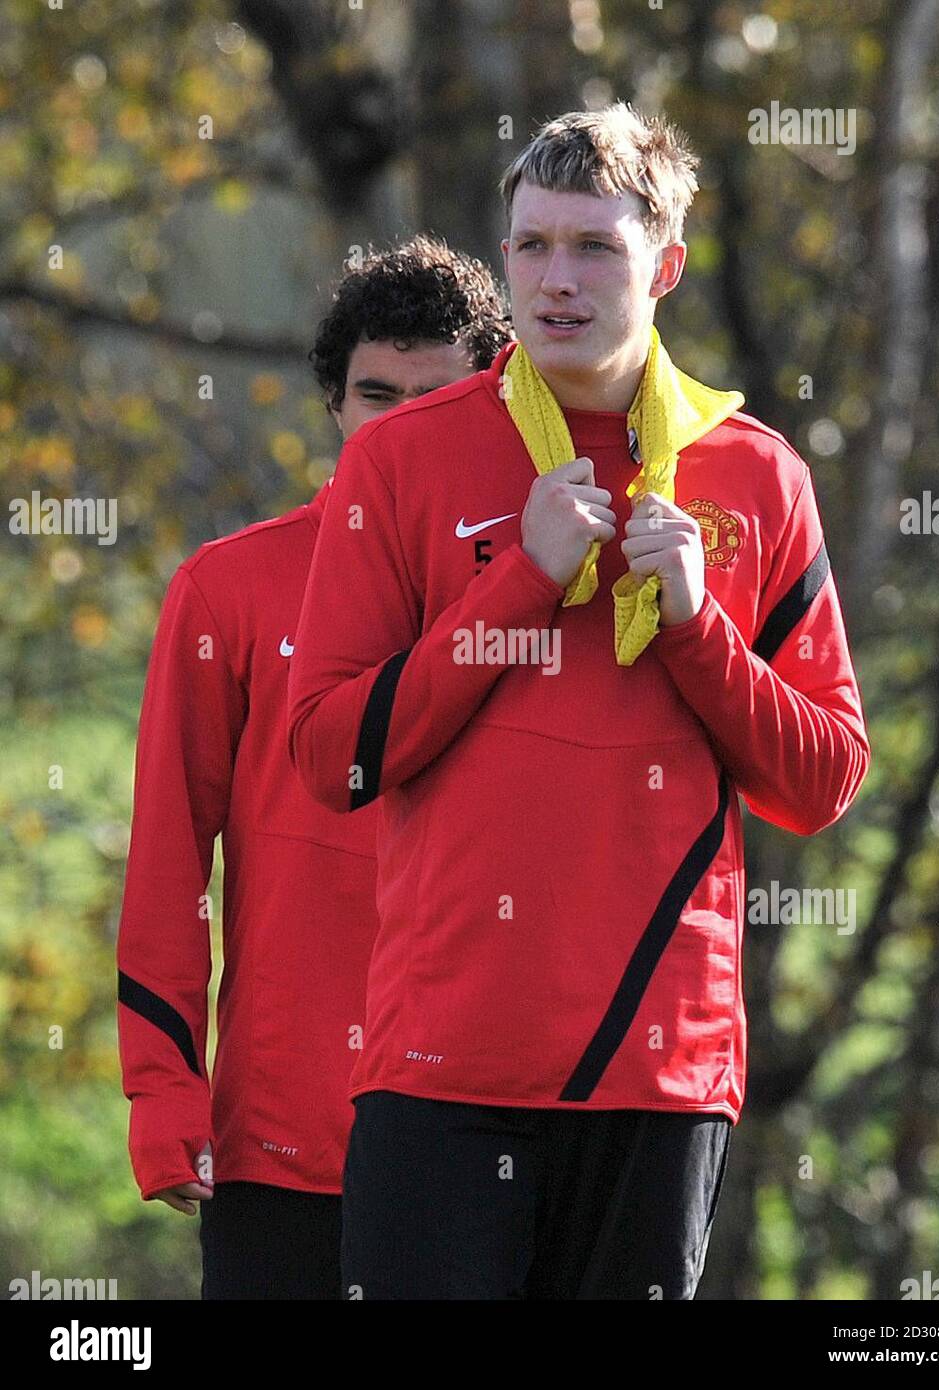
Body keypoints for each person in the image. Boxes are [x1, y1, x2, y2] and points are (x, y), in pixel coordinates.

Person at [288, 104, 871, 1301]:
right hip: (441, 1066)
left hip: (657, 1074)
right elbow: (330, 755)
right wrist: (523, 580)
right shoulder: (400, 460)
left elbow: (820, 783)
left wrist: (701, 629)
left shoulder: (754, 472)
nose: (556, 281)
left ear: (663, 264)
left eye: (593, 248)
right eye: (531, 246)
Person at [117, 235, 513, 1299]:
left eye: (436, 397)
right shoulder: (228, 589)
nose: (401, 424)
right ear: (333, 403)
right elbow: (164, 859)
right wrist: (161, 1089)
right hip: (281, 1138)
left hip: (493, 1130)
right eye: (376, 394)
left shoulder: (548, 592)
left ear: (494, 400)